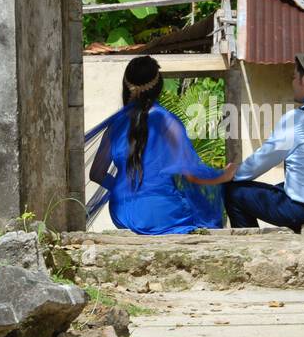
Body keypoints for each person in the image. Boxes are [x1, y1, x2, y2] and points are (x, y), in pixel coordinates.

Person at [86, 55, 235, 234]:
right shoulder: (168, 122)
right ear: (158, 86)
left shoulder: (115, 124)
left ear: (126, 86)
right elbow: (192, 175)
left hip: (120, 211)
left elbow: (96, 173)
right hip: (159, 212)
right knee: (203, 219)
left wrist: (124, 188)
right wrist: (224, 175)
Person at [223, 45, 304, 232]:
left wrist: (231, 174)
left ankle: (250, 247)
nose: (293, 83)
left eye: (294, 77)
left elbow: (263, 160)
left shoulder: (297, 119)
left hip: (302, 211)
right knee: (280, 186)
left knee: (234, 192)